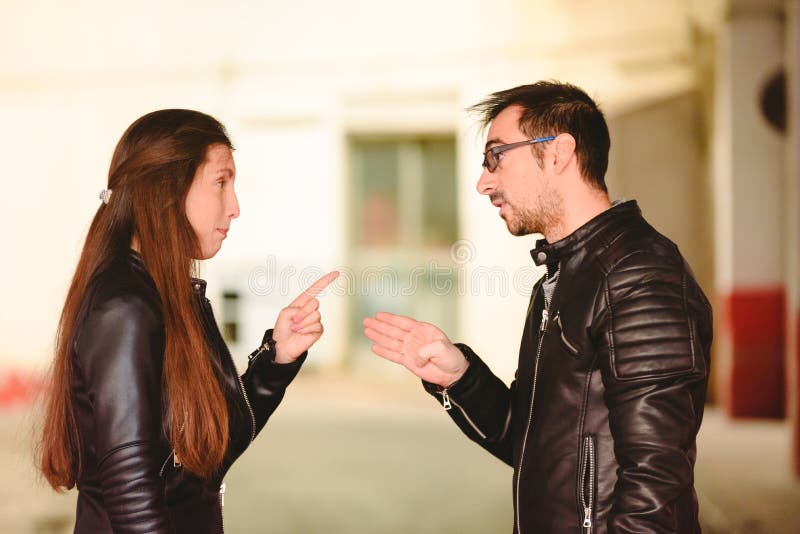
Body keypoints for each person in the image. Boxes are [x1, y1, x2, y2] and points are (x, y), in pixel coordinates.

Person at [363, 81, 712, 533]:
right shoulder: (563, 276)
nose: (483, 181)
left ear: (558, 152)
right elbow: (532, 446)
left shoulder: (638, 275)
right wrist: (459, 378)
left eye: (496, 156)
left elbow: (656, 487)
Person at [38, 109, 338, 533]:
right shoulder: (124, 308)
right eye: (221, 182)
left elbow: (205, 456)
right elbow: (132, 494)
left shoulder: (168, 296)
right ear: (168, 189)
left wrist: (277, 361)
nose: (234, 207)